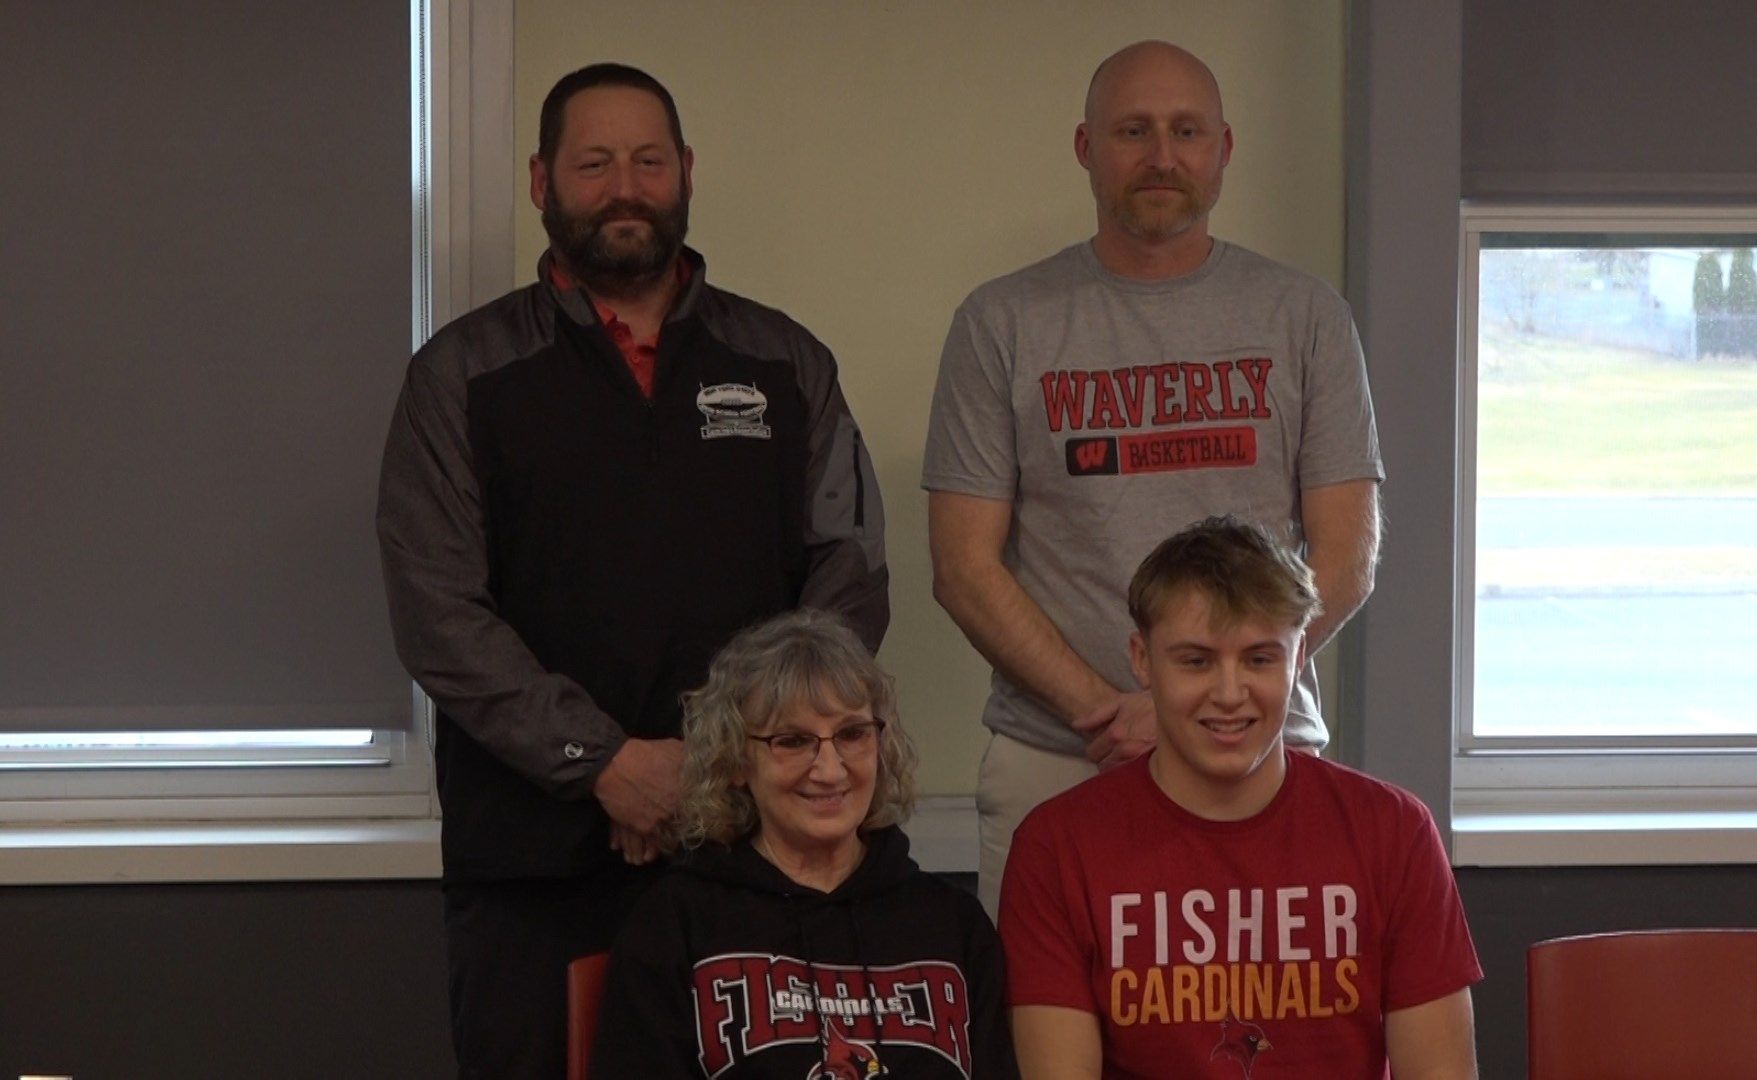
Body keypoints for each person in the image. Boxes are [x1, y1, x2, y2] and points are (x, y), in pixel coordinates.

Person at [376, 63, 887, 1079]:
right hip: (533, 871)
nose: (625, 187)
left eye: (649, 162)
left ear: (686, 171)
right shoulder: (462, 377)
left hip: (752, 850)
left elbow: (849, 577)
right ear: (541, 181)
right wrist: (602, 761)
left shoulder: (784, 364)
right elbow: (439, 612)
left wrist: (717, 762)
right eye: (594, 163)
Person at [922, 40, 1383, 920]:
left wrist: (1198, 703)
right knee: (1047, 1006)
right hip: (1060, 755)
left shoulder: (1306, 317)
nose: (1162, 155)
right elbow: (964, 568)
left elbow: (1346, 556)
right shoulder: (1001, 322)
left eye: (1187, 131)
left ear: (1224, 149)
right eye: (1133, 131)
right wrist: (1113, 714)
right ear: (1086, 147)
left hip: (1262, 753)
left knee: (1268, 1004)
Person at [998, 517, 1480, 1078]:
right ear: (1142, 659)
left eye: (1259, 659)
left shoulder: (1394, 832)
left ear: (1298, 658)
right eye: (1196, 661)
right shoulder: (1056, 848)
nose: (1229, 694)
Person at [589, 610, 1017, 1079]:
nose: (830, 770)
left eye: (852, 734)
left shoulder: (954, 926)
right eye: (792, 741)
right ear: (736, 761)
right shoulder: (675, 924)